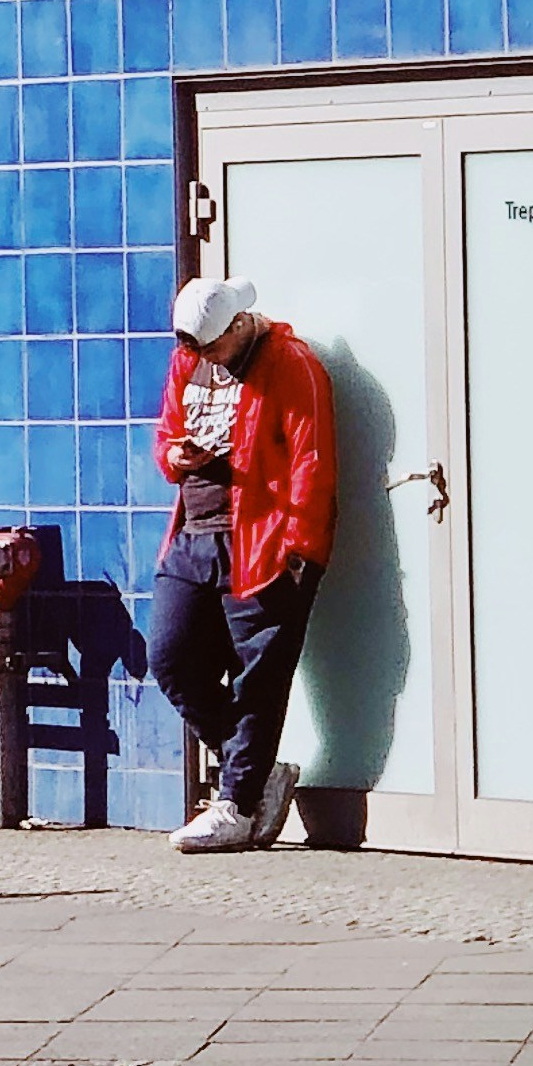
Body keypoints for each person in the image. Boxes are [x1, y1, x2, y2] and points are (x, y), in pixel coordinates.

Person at [149, 275, 336, 853]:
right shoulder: (190, 359)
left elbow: (311, 459)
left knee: (259, 677)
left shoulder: (291, 364)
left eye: (207, 347)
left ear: (236, 327)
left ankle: (237, 802)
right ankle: (254, 777)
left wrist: (299, 551)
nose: (197, 357)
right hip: (194, 534)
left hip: (264, 539)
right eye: (189, 348)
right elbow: (166, 437)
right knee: (170, 657)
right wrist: (175, 456)